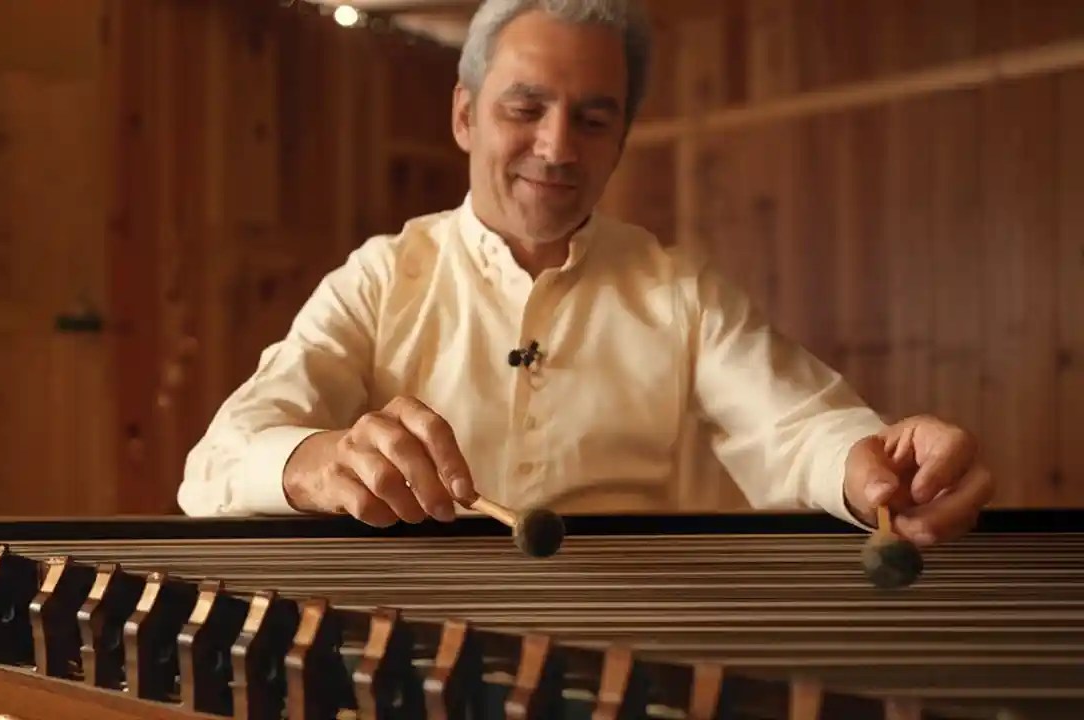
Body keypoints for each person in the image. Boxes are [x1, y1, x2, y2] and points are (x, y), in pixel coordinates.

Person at [179, 0, 993, 545]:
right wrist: (312, 460)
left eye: (593, 118)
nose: (558, 147)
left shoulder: (680, 290)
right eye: (524, 108)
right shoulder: (381, 279)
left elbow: (796, 426)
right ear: (465, 116)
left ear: (621, 139)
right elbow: (214, 467)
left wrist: (873, 466)